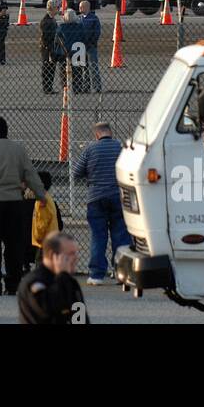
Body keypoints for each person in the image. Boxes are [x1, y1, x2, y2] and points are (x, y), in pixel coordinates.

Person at [0, 116, 46, 296]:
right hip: (14, 203)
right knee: (14, 245)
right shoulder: (18, 150)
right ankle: (13, 283)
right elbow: (30, 174)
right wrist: (40, 195)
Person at [73, 121, 131, 284]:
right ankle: (121, 273)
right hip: (118, 197)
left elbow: (77, 172)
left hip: (96, 197)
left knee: (98, 236)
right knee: (120, 235)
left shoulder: (90, 149)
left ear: (97, 134)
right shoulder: (121, 148)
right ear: (110, 132)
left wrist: (92, 176)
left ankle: (96, 275)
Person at [17, 231, 86, 325]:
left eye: (75, 253)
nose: (75, 258)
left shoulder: (70, 282)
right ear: (52, 255)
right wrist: (62, 276)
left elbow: (81, 320)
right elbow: (46, 310)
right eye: (70, 254)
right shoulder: (33, 282)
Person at [23, 170, 62, 273]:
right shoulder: (50, 201)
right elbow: (60, 225)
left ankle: (28, 268)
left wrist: (38, 237)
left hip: (36, 241)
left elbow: (41, 224)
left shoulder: (38, 202)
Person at [57, 8, 85, 93]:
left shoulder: (61, 27)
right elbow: (84, 38)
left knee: (63, 71)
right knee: (77, 71)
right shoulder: (79, 27)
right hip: (77, 51)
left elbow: (57, 40)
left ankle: (65, 87)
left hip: (64, 52)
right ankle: (78, 88)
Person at [78, 0, 103, 94]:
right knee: (84, 68)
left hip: (91, 46)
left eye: (81, 7)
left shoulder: (94, 18)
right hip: (82, 46)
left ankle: (97, 87)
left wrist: (91, 42)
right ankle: (86, 87)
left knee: (93, 67)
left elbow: (97, 32)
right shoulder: (79, 19)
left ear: (87, 8)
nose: (79, 8)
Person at [39, 0, 60, 94]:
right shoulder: (46, 21)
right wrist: (49, 49)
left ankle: (49, 87)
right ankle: (47, 87)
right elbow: (45, 37)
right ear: (52, 8)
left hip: (52, 47)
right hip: (47, 48)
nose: (58, 9)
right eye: (57, 7)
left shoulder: (52, 19)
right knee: (47, 68)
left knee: (52, 68)